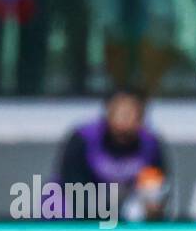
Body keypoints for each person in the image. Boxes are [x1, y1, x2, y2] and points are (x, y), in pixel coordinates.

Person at [55, 87, 170, 220]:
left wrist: (152, 205)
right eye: (121, 112)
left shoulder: (150, 144)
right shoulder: (83, 139)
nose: (125, 119)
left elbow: (159, 185)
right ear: (108, 112)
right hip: (81, 209)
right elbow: (70, 184)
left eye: (131, 113)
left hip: (125, 212)